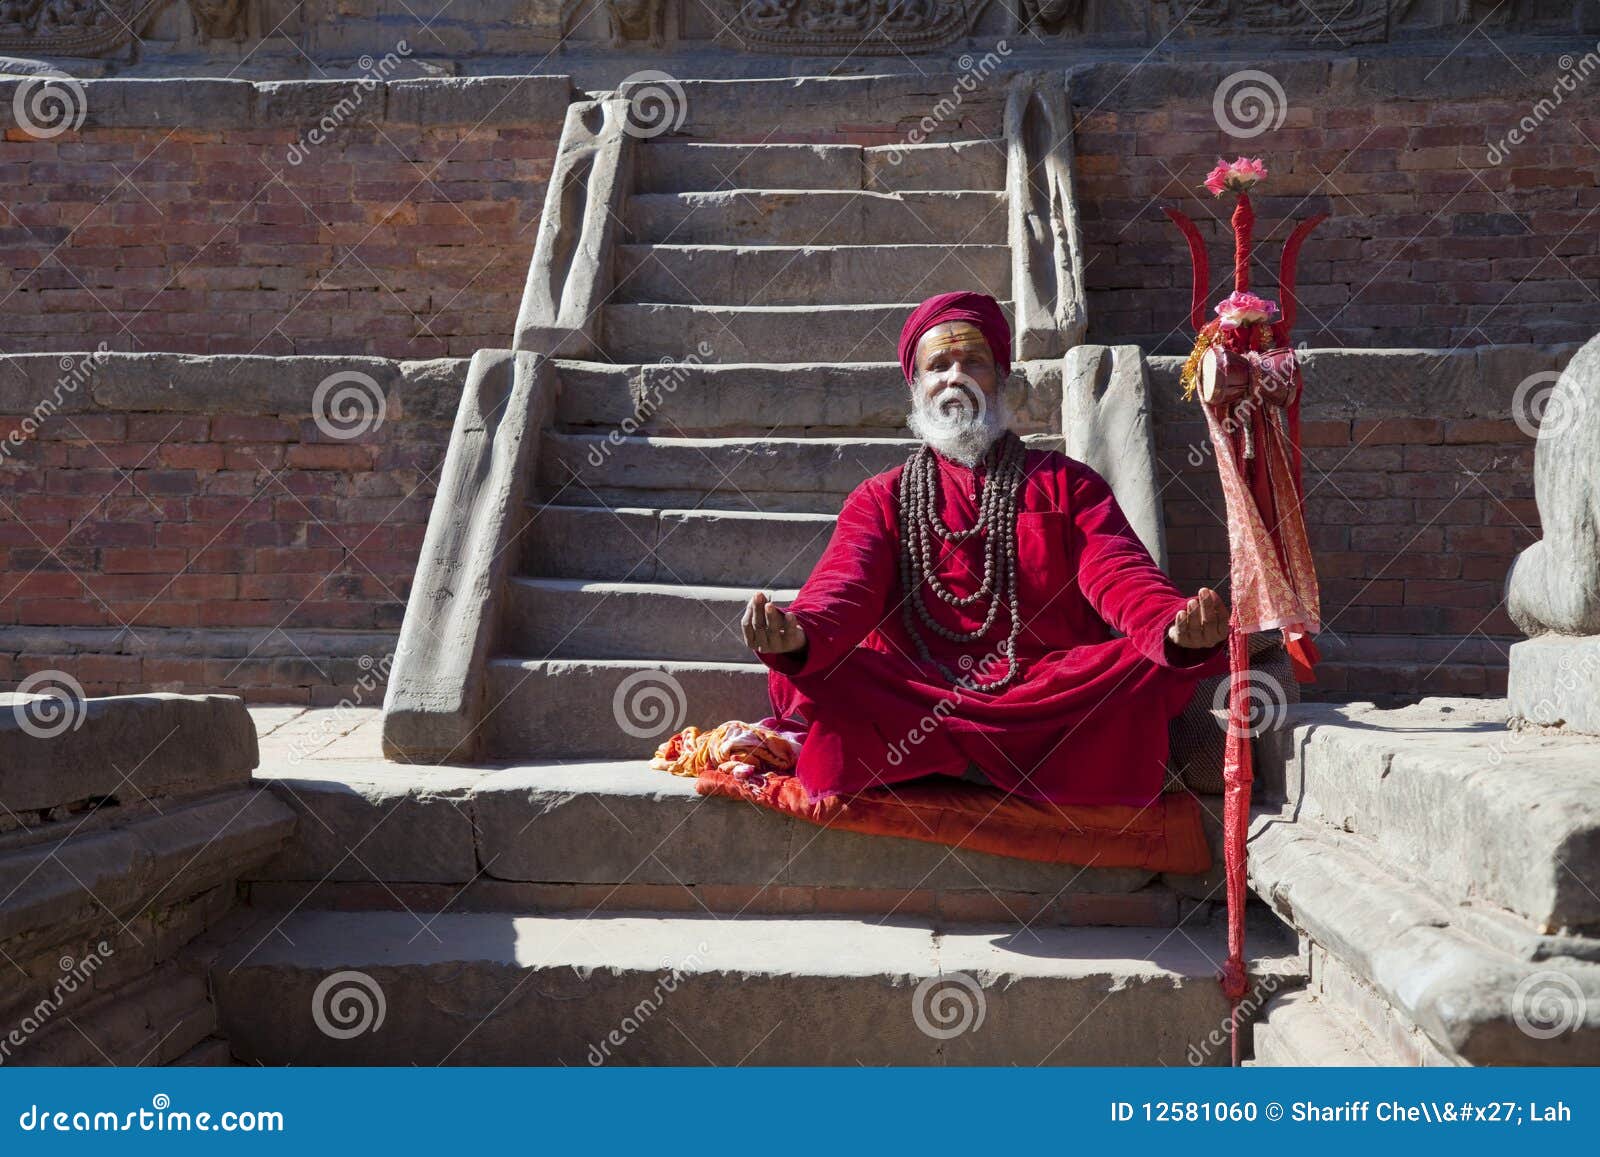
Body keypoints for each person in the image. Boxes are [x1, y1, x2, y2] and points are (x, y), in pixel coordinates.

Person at [739, 290, 1229, 807]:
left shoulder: (1067, 484)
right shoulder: (880, 497)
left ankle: (956, 761)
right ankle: (995, 761)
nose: (956, 377)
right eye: (939, 365)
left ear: (1003, 378)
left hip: (1042, 690)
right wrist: (799, 635)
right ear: (917, 386)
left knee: (1141, 663)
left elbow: (1117, 570)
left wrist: (1169, 625)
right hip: (920, 693)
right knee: (823, 672)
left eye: (973, 361)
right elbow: (844, 588)